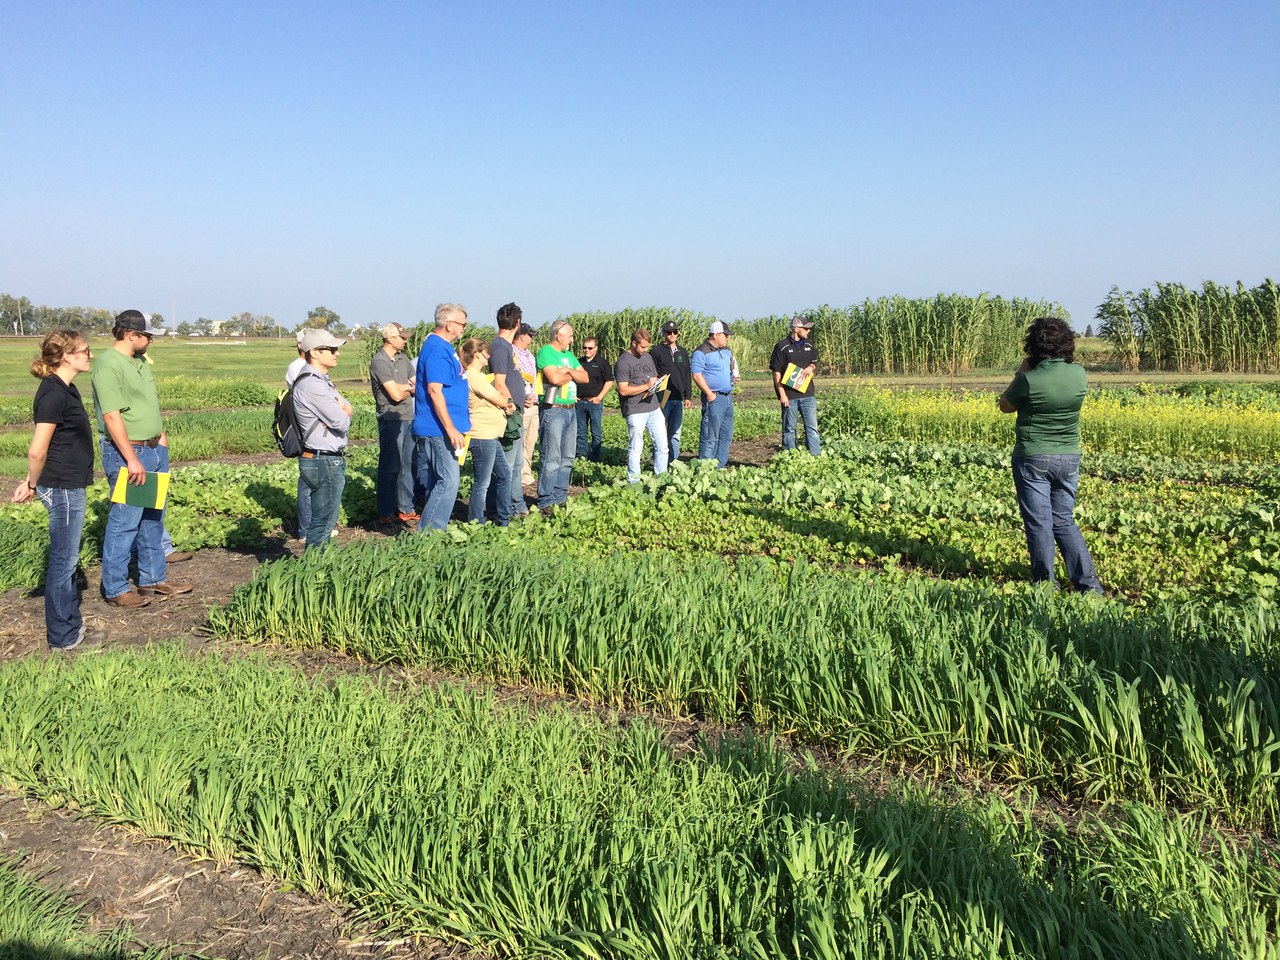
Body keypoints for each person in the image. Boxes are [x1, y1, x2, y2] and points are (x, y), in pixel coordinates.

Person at [91, 310, 191, 607]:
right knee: (125, 522)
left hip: (153, 449)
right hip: (130, 453)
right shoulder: (108, 364)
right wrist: (131, 458)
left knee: (152, 518)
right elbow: (112, 416)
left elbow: (146, 405)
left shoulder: (139, 362)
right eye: (148, 335)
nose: (151, 341)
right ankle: (116, 588)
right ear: (130, 334)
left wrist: (160, 439)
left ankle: (152, 579)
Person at [998, 316, 1103, 593]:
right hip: (1069, 457)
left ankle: (1045, 586)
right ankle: (1089, 587)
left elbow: (1005, 406)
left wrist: (1020, 372)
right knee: (1063, 520)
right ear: (1067, 344)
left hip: (1033, 457)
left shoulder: (1029, 380)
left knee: (1039, 524)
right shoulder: (1078, 374)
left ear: (1033, 346)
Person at [11, 330, 100, 647]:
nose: (90, 355)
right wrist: (32, 482)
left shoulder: (66, 389)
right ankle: (63, 637)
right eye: (85, 350)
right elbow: (37, 450)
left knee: (68, 561)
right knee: (64, 562)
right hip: (62, 487)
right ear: (66, 356)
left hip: (68, 484)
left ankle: (71, 628)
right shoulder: (53, 394)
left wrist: (32, 481)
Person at [293, 329, 352, 551]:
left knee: (324, 519)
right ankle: (313, 564)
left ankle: (316, 562)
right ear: (314, 353)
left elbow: (348, 408)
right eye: (332, 349)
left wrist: (341, 410)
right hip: (323, 460)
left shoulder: (320, 380)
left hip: (324, 458)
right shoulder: (313, 385)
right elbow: (342, 422)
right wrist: (340, 411)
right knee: (323, 521)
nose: (337, 353)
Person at [413, 303, 471, 531]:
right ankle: (430, 533)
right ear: (449, 324)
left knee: (444, 479)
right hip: (438, 427)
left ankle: (432, 530)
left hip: (445, 426)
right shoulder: (437, 349)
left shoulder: (444, 348)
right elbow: (435, 390)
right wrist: (450, 428)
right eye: (462, 324)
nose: (464, 328)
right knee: (448, 479)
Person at [460, 338, 517, 525]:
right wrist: (507, 404)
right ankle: (476, 522)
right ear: (476, 354)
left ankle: (503, 517)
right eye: (486, 352)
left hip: (490, 435)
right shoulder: (474, 376)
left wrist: (505, 405)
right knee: (482, 482)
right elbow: (495, 396)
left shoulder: (478, 376)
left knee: (504, 475)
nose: (489, 356)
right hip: (482, 435)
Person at [536, 318, 589, 511]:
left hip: (570, 409)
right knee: (551, 457)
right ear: (558, 335)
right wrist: (572, 373)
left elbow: (585, 377)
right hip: (554, 409)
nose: (572, 340)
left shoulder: (569, 355)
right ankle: (546, 500)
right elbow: (554, 378)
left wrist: (567, 370)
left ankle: (560, 497)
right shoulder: (546, 353)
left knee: (567, 457)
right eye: (570, 336)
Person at [370, 322, 418, 526]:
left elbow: (416, 385)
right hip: (390, 419)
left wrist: (403, 387)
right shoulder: (379, 362)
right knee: (390, 466)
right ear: (390, 338)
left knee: (408, 464)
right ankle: (386, 511)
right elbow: (395, 396)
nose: (405, 340)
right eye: (401, 337)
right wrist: (407, 388)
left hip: (409, 416)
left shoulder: (403, 359)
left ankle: (406, 508)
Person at [488, 303, 531, 517]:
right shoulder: (499, 347)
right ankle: (509, 507)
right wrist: (512, 406)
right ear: (518, 323)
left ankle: (513, 505)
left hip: (515, 410)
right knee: (508, 465)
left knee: (516, 464)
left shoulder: (506, 347)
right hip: (509, 414)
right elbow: (499, 384)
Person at [614, 328, 669, 483]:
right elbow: (623, 390)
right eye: (642, 347)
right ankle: (635, 483)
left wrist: (658, 383)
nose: (645, 350)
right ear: (633, 343)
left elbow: (653, 378)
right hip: (635, 409)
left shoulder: (647, 357)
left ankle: (661, 479)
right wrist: (646, 386)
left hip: (653, 407)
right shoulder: (623, 362)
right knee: (636, 448)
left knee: (662, 445)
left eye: (647, 347)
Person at [769, 315, 821, 455]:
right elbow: (776, 373)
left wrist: (811, 367)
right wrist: (782, 394)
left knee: (812, 428)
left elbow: (813, 362)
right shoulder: (782, 346)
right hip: (789, 395)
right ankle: (789, 457)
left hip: (808, 394)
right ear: (796, 329)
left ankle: (815, 457)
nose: (808, 331)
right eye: (806, 328)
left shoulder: (809, 344)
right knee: (789, 429)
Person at [691, 320, 739, 468]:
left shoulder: (726, 351)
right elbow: (696, 375)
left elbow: (729, 368)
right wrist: (709, 393)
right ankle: (706, 468)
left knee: (726, 435)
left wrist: (733, 378)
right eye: (725, 335)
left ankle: (719, 467)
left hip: (727, 397)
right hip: (713, 398)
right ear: (716, 335)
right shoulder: (701, 352)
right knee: (710, 435)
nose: (727, 338)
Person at [284, 331, 314, 542]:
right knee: (307, 481)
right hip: (304, 431)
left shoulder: (312, 369)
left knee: (316, 480)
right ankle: (306, 529)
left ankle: (316, 527)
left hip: (313, 430)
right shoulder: (296, 368)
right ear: (300, 346)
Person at [650, 320, 692, 463]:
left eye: (675, 332)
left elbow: (687, 374)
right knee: (660, 432)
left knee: (675, 433)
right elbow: (652, 373)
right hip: (662, 397)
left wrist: (688, 396)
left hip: (678, 397)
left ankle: (673, 462)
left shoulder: (682, 352)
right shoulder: (656, 351)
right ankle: (658, 462)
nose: (672, 335)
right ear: (664, 334)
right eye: (669, 332)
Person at [575, 336, 614, 461]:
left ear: (596, 348)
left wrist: (599, 397)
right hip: (580, 402)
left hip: (594, 402)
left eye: (590, 348)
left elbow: (609, 381)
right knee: (580, 432)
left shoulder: (602, 363)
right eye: (584, 348)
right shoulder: (578, 362)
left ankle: (594, 457)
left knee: (596, 432)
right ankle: (581, 456)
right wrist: (573, 395)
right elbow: (571, 380)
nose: (587, 350)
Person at [514, 323, 539, 487]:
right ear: (522, 336)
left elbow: (535, 380)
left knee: (530, 441)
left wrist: (534, 396)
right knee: (520, 441)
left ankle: (526, 473)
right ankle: (518, 475)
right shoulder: (511, 353)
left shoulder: (529, 355)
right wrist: (522, 398)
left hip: (533, 403)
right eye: (530, 336)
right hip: (521, 404)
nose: (531, 339)